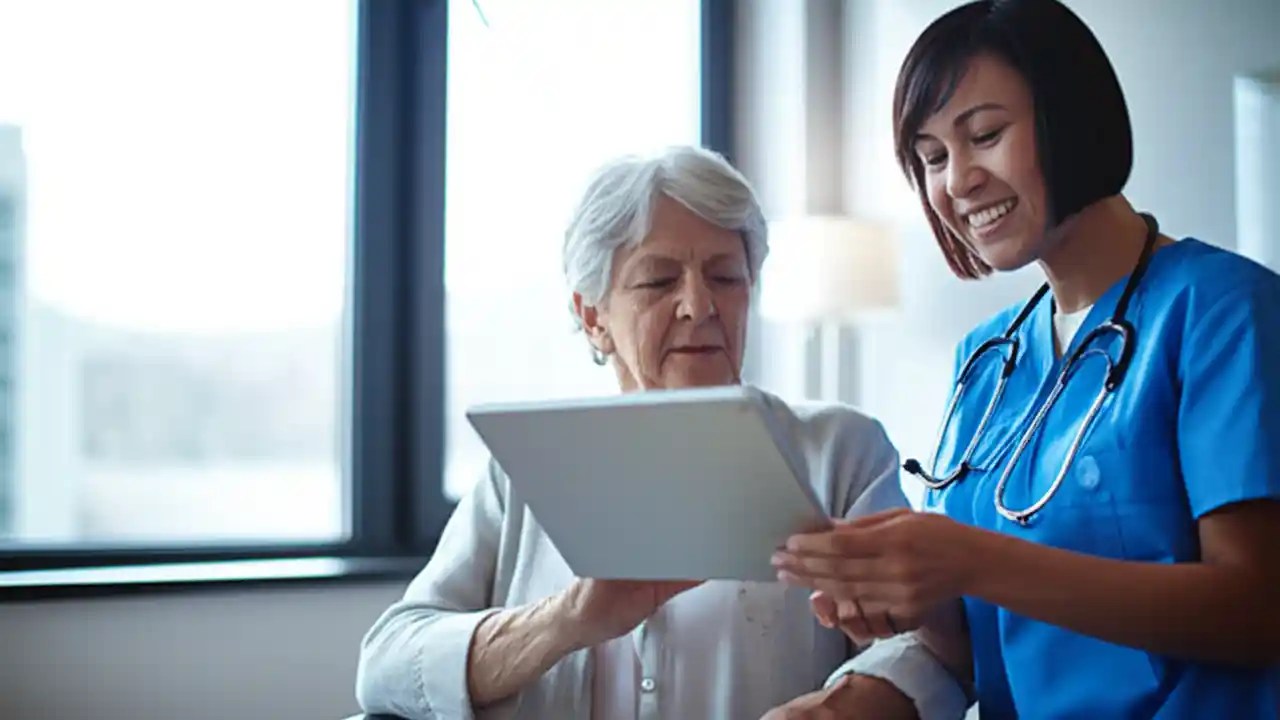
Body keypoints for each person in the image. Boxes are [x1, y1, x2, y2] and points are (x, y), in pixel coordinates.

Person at [771, 0, 1280, 718]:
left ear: (1071, 117)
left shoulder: (1223, 310)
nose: (957, 181)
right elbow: (977, 650)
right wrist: (905, 602)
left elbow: (1258, 607)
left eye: (984, 135)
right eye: (932, 158)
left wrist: (972, 559)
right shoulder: (985, 361)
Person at [354, 145, 959, 720]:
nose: (699, 306)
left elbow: (933, 645)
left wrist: (849, 700)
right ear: (593, 316)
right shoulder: (522, 472)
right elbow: (387, 663)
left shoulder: (838, 451)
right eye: (658, 281)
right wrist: (567, 620)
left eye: (725, 277)